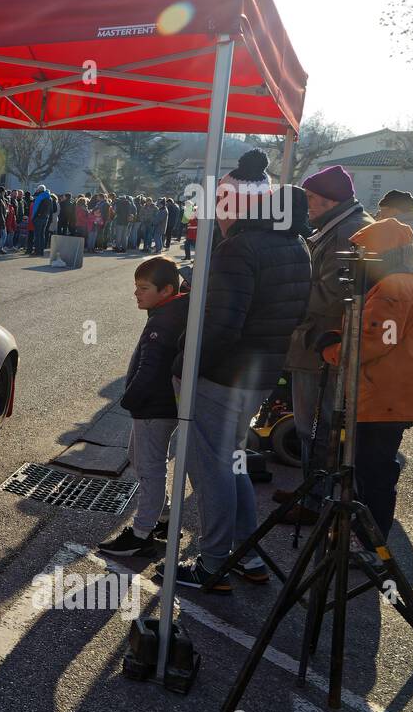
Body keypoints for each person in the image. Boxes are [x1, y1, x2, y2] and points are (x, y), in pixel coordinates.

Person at [157, 160, 312, 591]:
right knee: (234, 461)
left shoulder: (242, 248)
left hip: (223, 376)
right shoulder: (298, 248)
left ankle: (214, 561)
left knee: (211, 470)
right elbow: (295, 315)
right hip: (259, 375)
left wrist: (186, 366)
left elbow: (223, 324)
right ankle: (246, 555)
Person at [318, 217, 413, 540]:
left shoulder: (393, 288)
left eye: (362, 254)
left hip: (387, 396)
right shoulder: (406, 283)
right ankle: (365, 534)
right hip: (393, 393)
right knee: (372, 468)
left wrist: (332, 350)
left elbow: (373, 343)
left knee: (374, 471)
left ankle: (371, 541)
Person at [277, 164, 373, 524]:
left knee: (316, 429)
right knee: (311, 428)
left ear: (332, 200)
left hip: (323, 347)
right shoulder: (336, 227)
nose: (309, 207)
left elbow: (331, 296)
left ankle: (316, 501)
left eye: (313, 200)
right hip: (314, 343)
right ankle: (311, 491)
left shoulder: (348, 231)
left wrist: (285, 293)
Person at [99, 257, 189, 556]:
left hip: (155, 407)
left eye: (143, 288)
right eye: (136, 287)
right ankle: (163, 518)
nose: (136, 293)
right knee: (139, 459)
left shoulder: (162, 321)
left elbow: (150, 369)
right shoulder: (170, 311)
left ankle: (141, 534)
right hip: (157, 405)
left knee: (150, 469)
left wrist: (131, 398)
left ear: (165, 290)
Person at [376, 190, 413, 264]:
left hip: (399, 274)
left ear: (395, 210)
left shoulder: (398, 228)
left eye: (383, 210)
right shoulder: (412, 225)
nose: (381, 214)